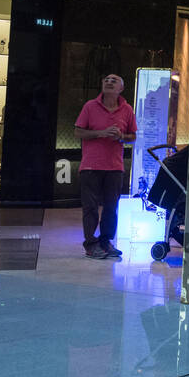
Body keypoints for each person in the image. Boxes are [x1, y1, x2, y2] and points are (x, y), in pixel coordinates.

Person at [73, 73, 137, 260]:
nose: (109, 82)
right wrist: (101, 133)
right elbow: (77, 132)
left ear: (121, 89)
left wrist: (121, 137)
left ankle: (106, 241)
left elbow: (133, 136)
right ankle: (90, 244)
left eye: (114, 80)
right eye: (106, 80)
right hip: (91, 166)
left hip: (115, 167)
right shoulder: (90, 107)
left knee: (111, 207)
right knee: (91, 207)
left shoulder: (127, 110)